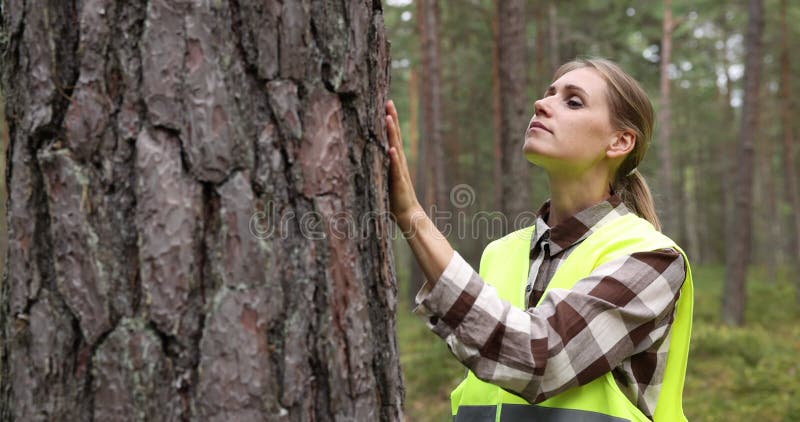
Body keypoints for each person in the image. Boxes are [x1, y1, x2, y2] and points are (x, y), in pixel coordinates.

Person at [384, 57, 693, 421]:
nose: (541, 104)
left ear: (620, 141)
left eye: (573, 101)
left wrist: (412, 217)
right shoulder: (499, 253)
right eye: (549, 94)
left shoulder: (651, 258)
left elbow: (541, 360)